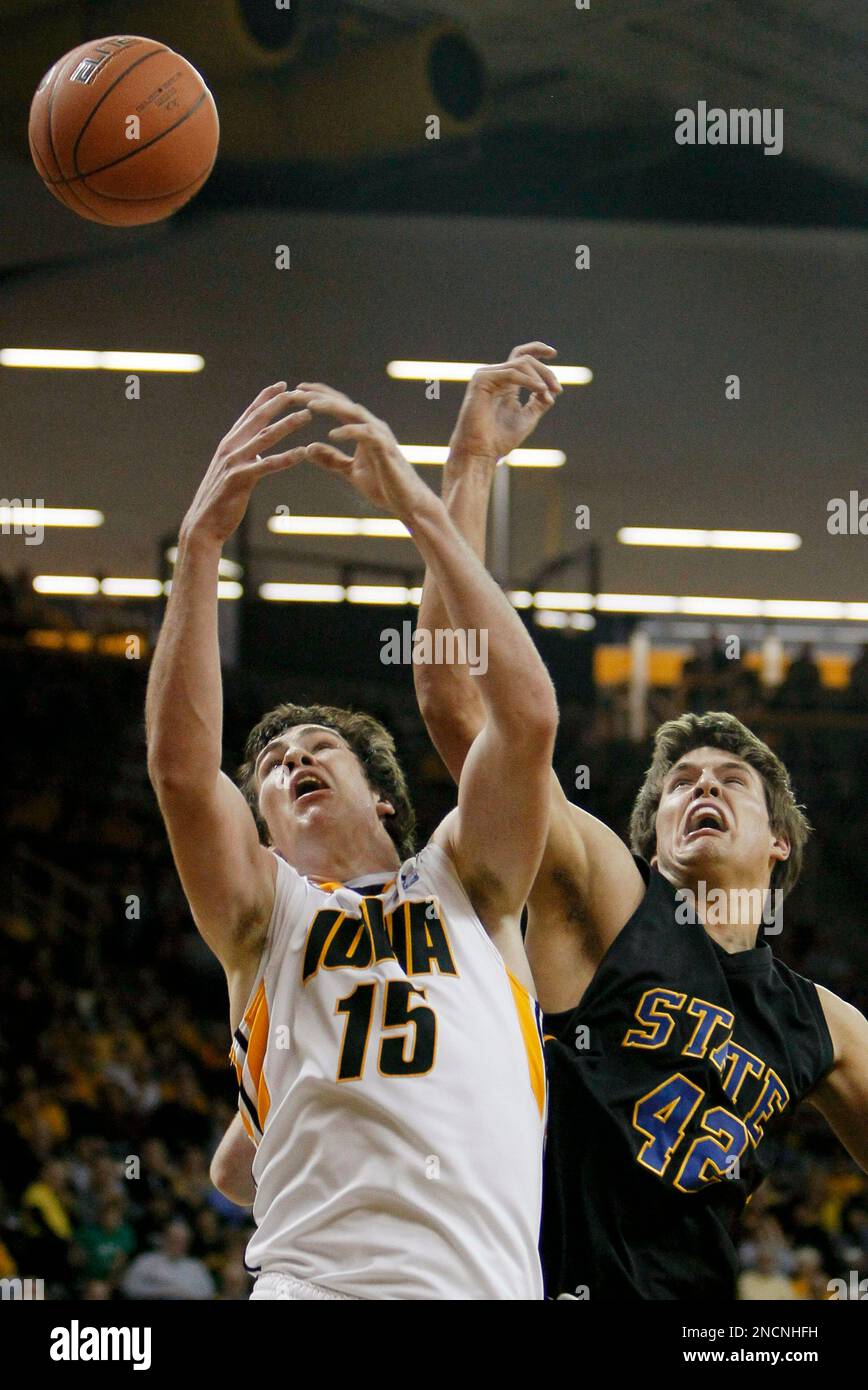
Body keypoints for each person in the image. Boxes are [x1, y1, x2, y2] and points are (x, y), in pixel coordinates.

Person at [413, 341, 868, 1300]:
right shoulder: (606, 898)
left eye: (730, 780)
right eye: (678, 784)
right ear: (650, 834)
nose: (700, 788)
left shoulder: (823, 1024)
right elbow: (456, 704)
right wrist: (472, 468)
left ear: (779, 841)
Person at [146, 380, 558, 1300]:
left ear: (382, 796)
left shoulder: (468, 885)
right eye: (272, 767)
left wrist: (428, 502)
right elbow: (180, 773)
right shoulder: (264, 919)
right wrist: (201, 546)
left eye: (317, 746)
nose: (291, 760)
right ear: (260, 828)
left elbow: (525, 719)